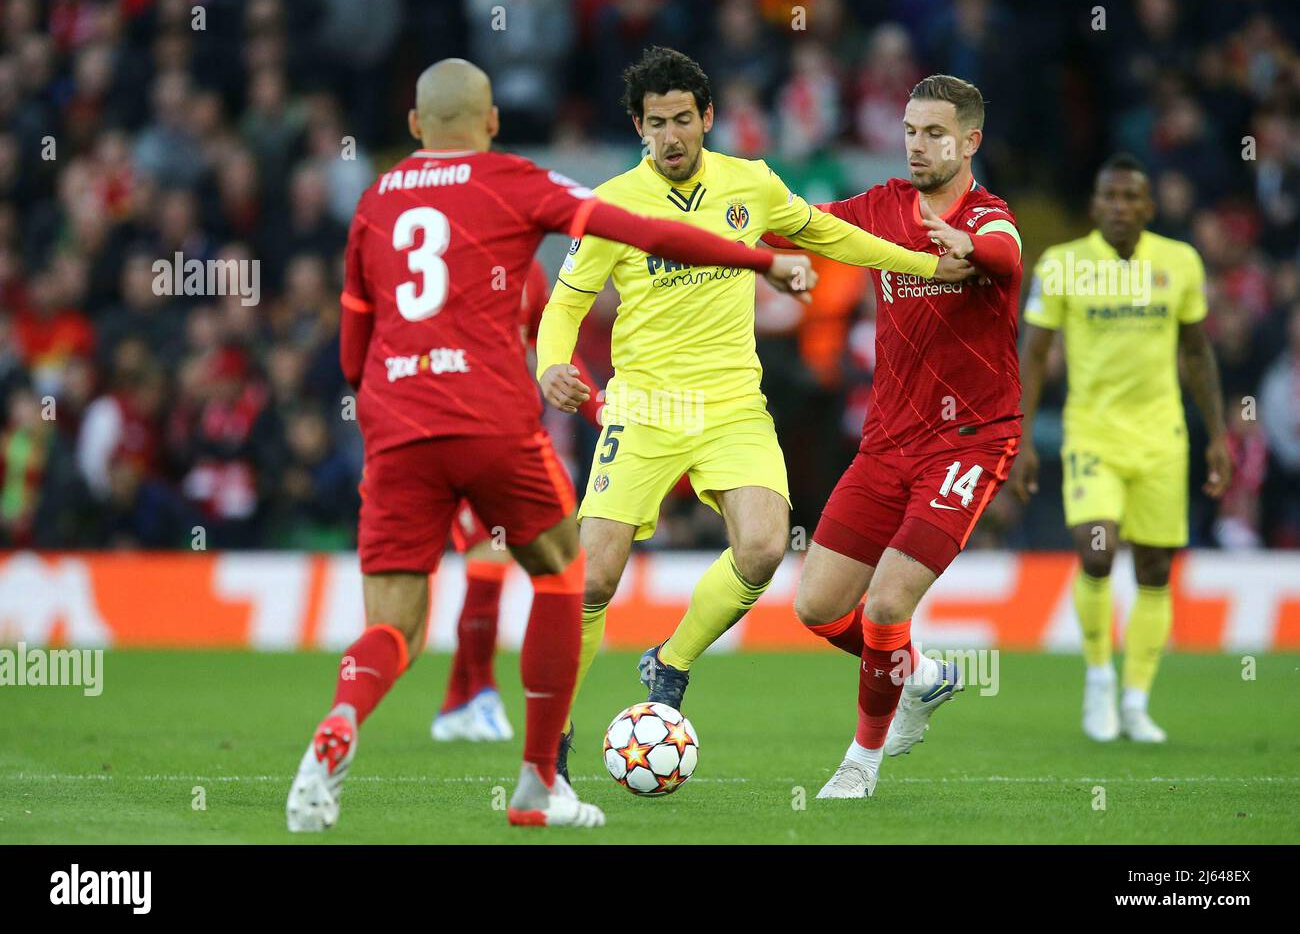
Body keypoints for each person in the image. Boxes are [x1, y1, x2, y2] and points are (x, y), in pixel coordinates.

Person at [285, 58, 812, 832]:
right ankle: (539, 780)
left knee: (393, 625)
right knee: (567, 581)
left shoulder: (373, 201)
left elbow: (350, 353)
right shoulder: (517, 180)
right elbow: (643, 228)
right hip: (493, 422)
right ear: (492, 121)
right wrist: (762, 258)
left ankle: (338, 725)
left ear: (411, 128)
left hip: (397, 430)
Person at [535, 48, 970, 780]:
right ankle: (553, 735)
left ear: (707, 117)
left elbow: (829, 235)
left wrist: (923, 265)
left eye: (682, 119)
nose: (670, 136)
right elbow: (566, 303)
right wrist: (553, 364)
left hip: (733, 405)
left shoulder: (751, 185)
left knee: (766, 547)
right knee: (593, 581)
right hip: (643, 408)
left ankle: (669, 665)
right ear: (637, 127)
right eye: (655, 124)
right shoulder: (609, 206)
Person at [775, 74, 1024, 799]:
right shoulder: (881, 207)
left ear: (970, 140)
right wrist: (728, 220)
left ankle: (861, 761)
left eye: (935, 133)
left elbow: (1005, 255)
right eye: (911, 130)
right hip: (887, 443)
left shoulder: (990, 217)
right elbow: (801, 225)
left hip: (969, 442)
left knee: (886, 606)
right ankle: (921, 673)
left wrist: (971, 251)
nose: (918, 144)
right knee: (817, 606)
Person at [1009, 152, 1231, 744]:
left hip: (1163, 439)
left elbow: (1196, 351)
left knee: (1155, 569)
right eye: (1109, 196)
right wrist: (1022, 437)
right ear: (1094, 205)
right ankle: (1100, 678)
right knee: (1098, 550)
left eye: (1131, 197)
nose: (1119, 206)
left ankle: (1136, 697)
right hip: (1093, 436)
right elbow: (1032, 354)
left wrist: (1217, 436)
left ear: (1148, 207)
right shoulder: (1062, 265)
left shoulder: (1179, 262)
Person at [431, 259, 602, 743]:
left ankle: (455, 705)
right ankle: (482, 694)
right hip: (457, 431)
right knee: (490, 553)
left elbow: (548, 350)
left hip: (513, 436)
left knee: (537, 555)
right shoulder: (450, 267)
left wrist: (598, 409)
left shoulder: (530, 275)